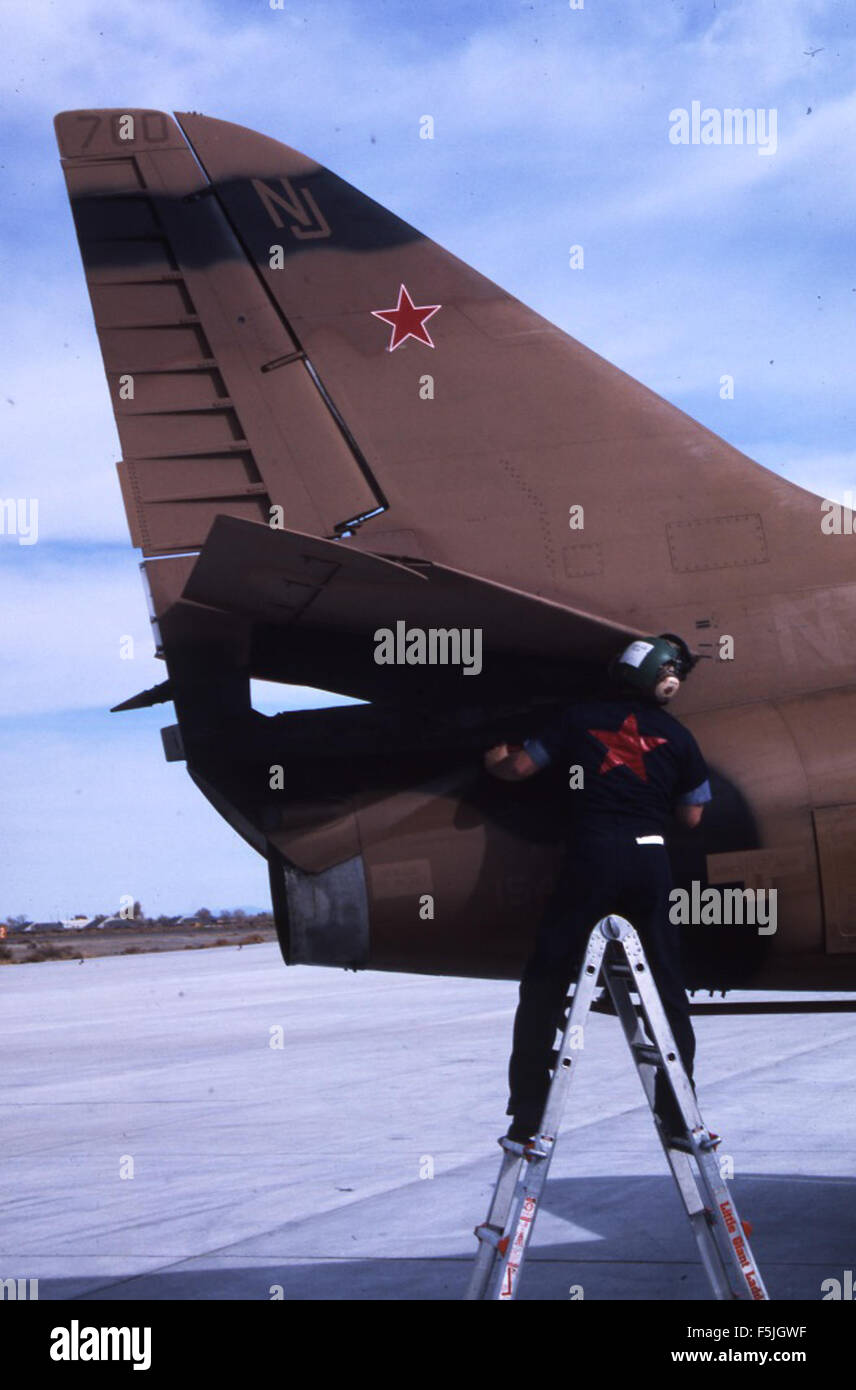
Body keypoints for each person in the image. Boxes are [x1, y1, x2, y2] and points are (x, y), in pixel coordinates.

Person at [483, 634, 711, 1143]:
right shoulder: (680, 737)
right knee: (667, 987)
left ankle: (528, 1109)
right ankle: (681, 1109)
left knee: (546, 979)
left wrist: (494, 759)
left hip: (592, 855)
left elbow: (519, 768)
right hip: (651, 859)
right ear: (665, 682)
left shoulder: (578, 717)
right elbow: (692, 817)